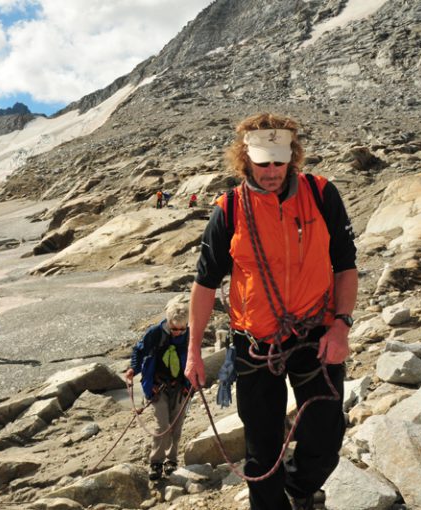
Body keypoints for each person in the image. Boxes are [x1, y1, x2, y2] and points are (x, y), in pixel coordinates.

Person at [184, 113, 357, 510]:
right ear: (245, 161)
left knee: (326, 435)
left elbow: (345, 265)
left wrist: (341, 327)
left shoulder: (321, 193)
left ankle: (300, 489)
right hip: (255, 345)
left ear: (292, 157)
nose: (272, 171)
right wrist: (195, 350)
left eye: (279, 162)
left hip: (317, 332)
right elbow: (206, 284)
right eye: (263, 163)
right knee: (262, 449)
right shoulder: (228, 210)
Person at [125, 302, 191, 481]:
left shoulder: (189, 336)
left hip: (180, 387)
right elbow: (138, 351)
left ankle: (171, 460)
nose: (177, 332)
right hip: (157, 386)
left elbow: (194, 358)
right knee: (162, 425)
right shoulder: (155, 333)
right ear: (168, 322)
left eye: (181, 329)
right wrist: (133, 369)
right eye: (174, 328)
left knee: (176, 426)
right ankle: (156, 462)